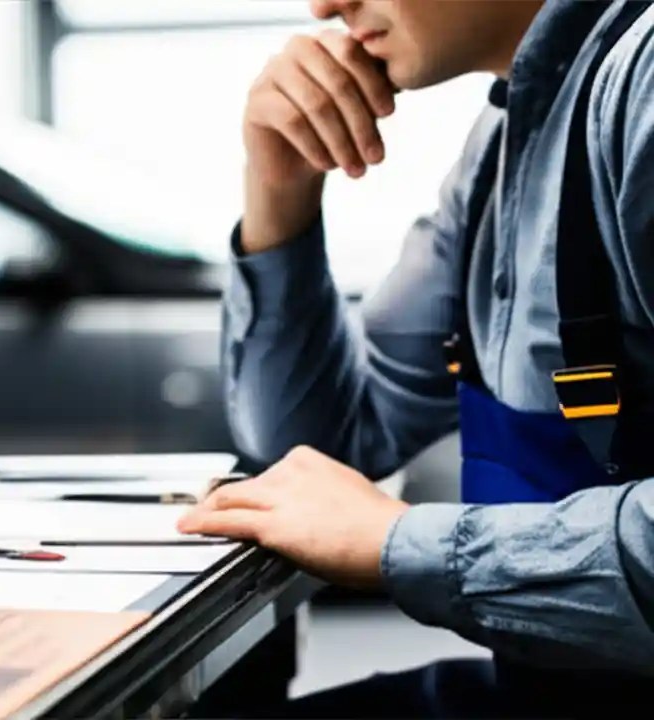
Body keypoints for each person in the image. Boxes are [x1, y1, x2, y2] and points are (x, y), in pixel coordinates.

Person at [175, 0, 654, 717]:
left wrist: (402, 542)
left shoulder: (643, 87)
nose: (325, 7)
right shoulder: (504, 144)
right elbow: (322, 451)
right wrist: (281, 190)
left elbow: (350, 510)